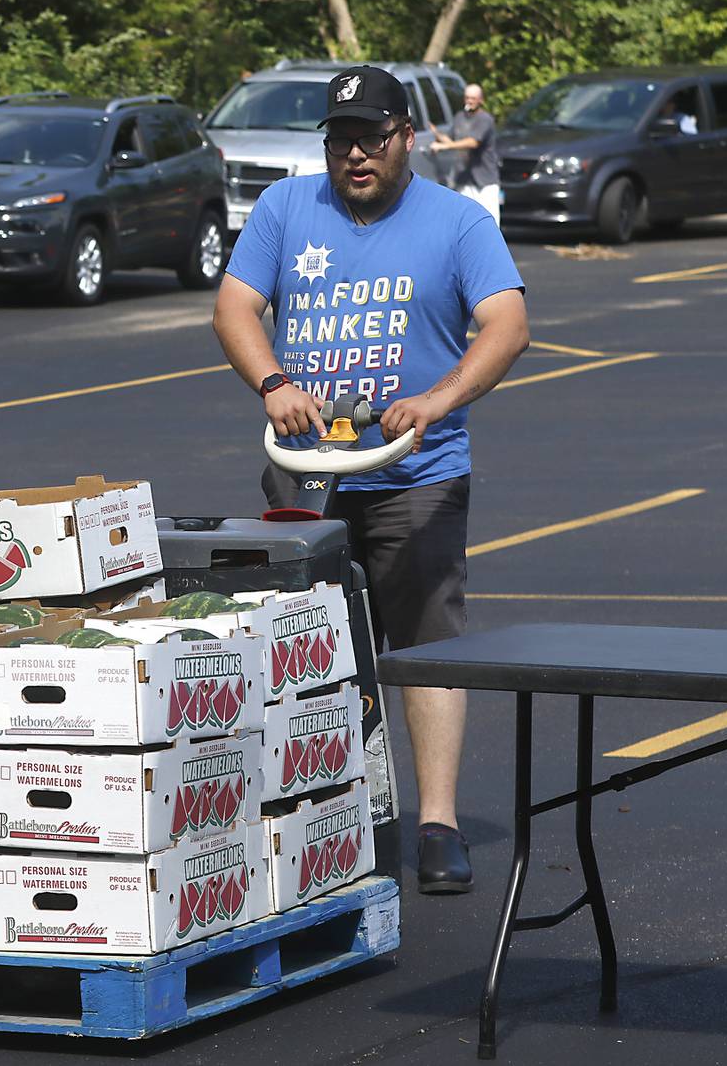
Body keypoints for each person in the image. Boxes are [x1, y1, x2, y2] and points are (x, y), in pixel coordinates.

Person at [211, 65, 529, 895]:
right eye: (341, 138)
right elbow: (235, 307)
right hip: (307, 471)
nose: (356, 154)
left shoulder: (456, 221)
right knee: (304, 650)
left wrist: (436, 400)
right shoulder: (286, 209)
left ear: (407, 138)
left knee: (423, 643)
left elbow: (508, 325)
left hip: (415, 470)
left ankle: (437, 824)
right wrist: (275, 384)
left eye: (373, 138)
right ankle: (322, 815)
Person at [430, 83, 502, 224]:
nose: (469, 101)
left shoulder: (485, 119)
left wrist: (445, 146)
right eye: (467, 97)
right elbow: (450, 139)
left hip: (484, 180)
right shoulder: (459, 117)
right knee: (464, 222)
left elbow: (473, 142)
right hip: (464, 179)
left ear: (481, 100)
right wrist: (436, 133)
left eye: (473, 98)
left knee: (489, 222)